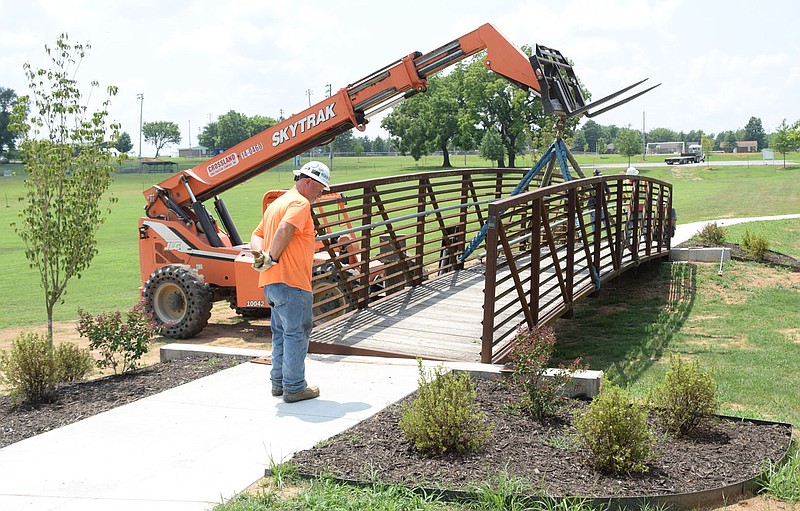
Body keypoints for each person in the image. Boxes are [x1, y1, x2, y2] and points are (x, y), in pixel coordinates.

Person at [250, 161, 331, 403]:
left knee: (280, 333)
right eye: (319, 189)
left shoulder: (277, 203)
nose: (320, 194)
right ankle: (295, 388)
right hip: (292, 282)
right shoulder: (300, 202)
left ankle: (278, 383)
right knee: (297, 333)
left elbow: (257, 235)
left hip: (272, 283)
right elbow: (285, 229)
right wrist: (272, 257)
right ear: (307, 182)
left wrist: (261, 258)